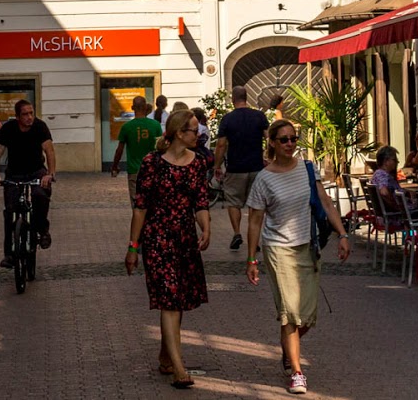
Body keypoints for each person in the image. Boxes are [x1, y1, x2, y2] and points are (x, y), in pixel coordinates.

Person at [244, 118, 350, 396]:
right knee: (290, 313)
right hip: (278, 250)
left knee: (307, 317)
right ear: (272, 143)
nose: (290, 144)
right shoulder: (264, 179)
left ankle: (288, 346)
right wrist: (251, 259)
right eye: (284, 140)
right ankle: (297, 371)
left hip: (307, 247)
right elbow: (254, 221)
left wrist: (343, 234)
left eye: (293, 139)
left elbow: (326, 202)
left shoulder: (307, 168)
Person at [124, 109, 212, 388]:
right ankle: (179, 368)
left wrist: (206, 227)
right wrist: (133, 247)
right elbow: (141, 207)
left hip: (185, 238)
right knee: (170, 299)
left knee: (179, 300)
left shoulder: (198, 163)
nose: (198, 135)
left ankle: (165, 354)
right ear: (178, 133)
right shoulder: (152, 163)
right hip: (157, 239)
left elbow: (200, 202)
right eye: (193, 130)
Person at [0, 100, 56, 269]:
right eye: (25, 114)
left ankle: (42, 230)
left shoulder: (40, 126)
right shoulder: (8, 128)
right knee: (10, 211)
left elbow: (49, 150)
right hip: (14, 173)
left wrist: (50, 174)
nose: (29, 117)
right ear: (17, 117)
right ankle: (9, 255)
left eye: (31, 113)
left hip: (36, 171)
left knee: (40, 195)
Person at [214, 85, 270, 251]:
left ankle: (237, 233)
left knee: (233, 202)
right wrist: (269, 158)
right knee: (255, 204)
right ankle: (254, 239)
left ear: (233, 99)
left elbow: (221, 144)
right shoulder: (259, 116)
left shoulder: (227, 119)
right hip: (256, 167)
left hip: (235, 167)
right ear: (246, 97)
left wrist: (217, 165)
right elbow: (269, 139)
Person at [111, 97, 163, 204]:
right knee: (152, 201)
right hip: (152, 169)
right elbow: (161, 148)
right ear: (145, 107)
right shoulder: (155, 125)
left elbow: (119, 150)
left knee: (136, 201)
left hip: (134, 170)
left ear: (132, 107)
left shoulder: (126, 127)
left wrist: (115, 166)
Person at [370, 146, 404, 212]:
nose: (397, 162)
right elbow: (384, 192)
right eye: (394, 160)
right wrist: (396, 205)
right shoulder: (381, 174)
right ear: (386, 161)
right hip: (398, 213)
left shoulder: (381, 174)